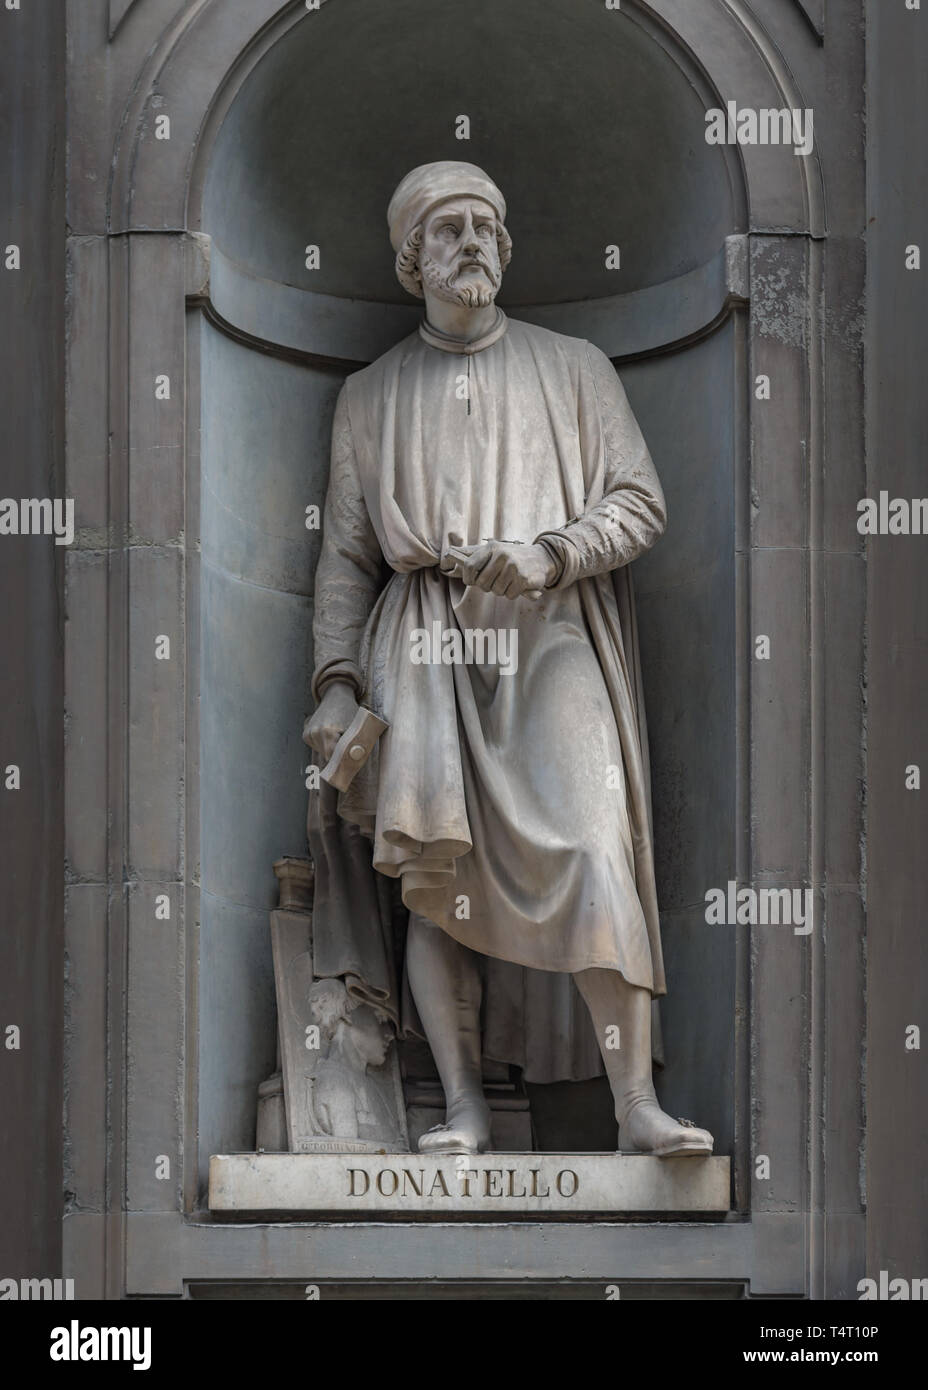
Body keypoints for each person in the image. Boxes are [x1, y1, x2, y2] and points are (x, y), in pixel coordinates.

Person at [304, 161, 713, 1158]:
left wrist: (548, 553)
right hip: (423, 638)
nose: (474, 241)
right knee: (433, 872)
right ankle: (463, 1108)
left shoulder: (573, 366)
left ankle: (630, 1105)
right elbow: (346, 561)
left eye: (488, 223)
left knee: (590, 843)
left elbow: (638, 500)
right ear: (413, 257)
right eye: (449, 228)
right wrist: (336, 685)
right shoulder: (367, 396)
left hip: (546, 631)